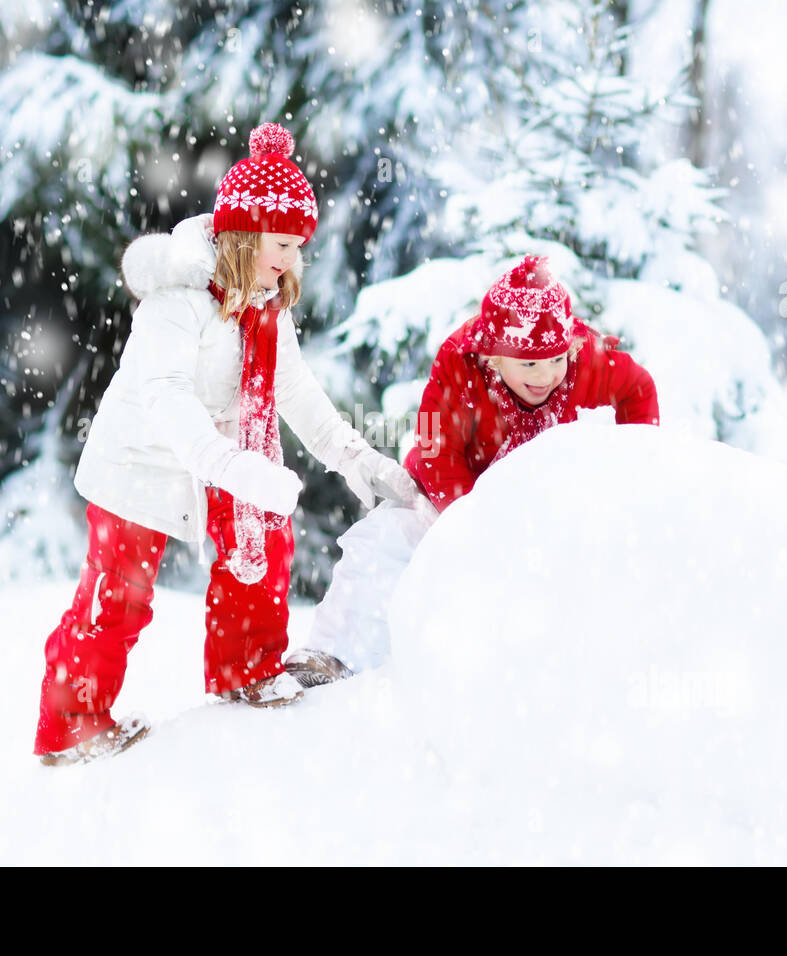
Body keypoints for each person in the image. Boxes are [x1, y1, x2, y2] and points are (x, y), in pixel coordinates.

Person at [32, 123, 417, 766]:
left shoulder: (268, 303)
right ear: (244, 231)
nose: (293, 260)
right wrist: (228, 464)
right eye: (284, 243)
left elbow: (295, 391)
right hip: (143, 457)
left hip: (228, 449)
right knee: (119, 596)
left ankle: (248, 670)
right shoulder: (176, 298)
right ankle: (72, 723)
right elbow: (166, 394)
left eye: (299, 247)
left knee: (261, 539)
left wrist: (355, 456)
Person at [288, 254, 660, 683]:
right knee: (384, 540)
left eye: (556, 360)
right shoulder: (458, 363)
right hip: (452, 500)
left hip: (550, 505)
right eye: (530, 364)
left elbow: (639, 389)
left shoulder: (587, 359)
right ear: (495, 357)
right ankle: (333, 652)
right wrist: (473, 520)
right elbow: (433, 446)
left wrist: (636, 464)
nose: (547, 375)